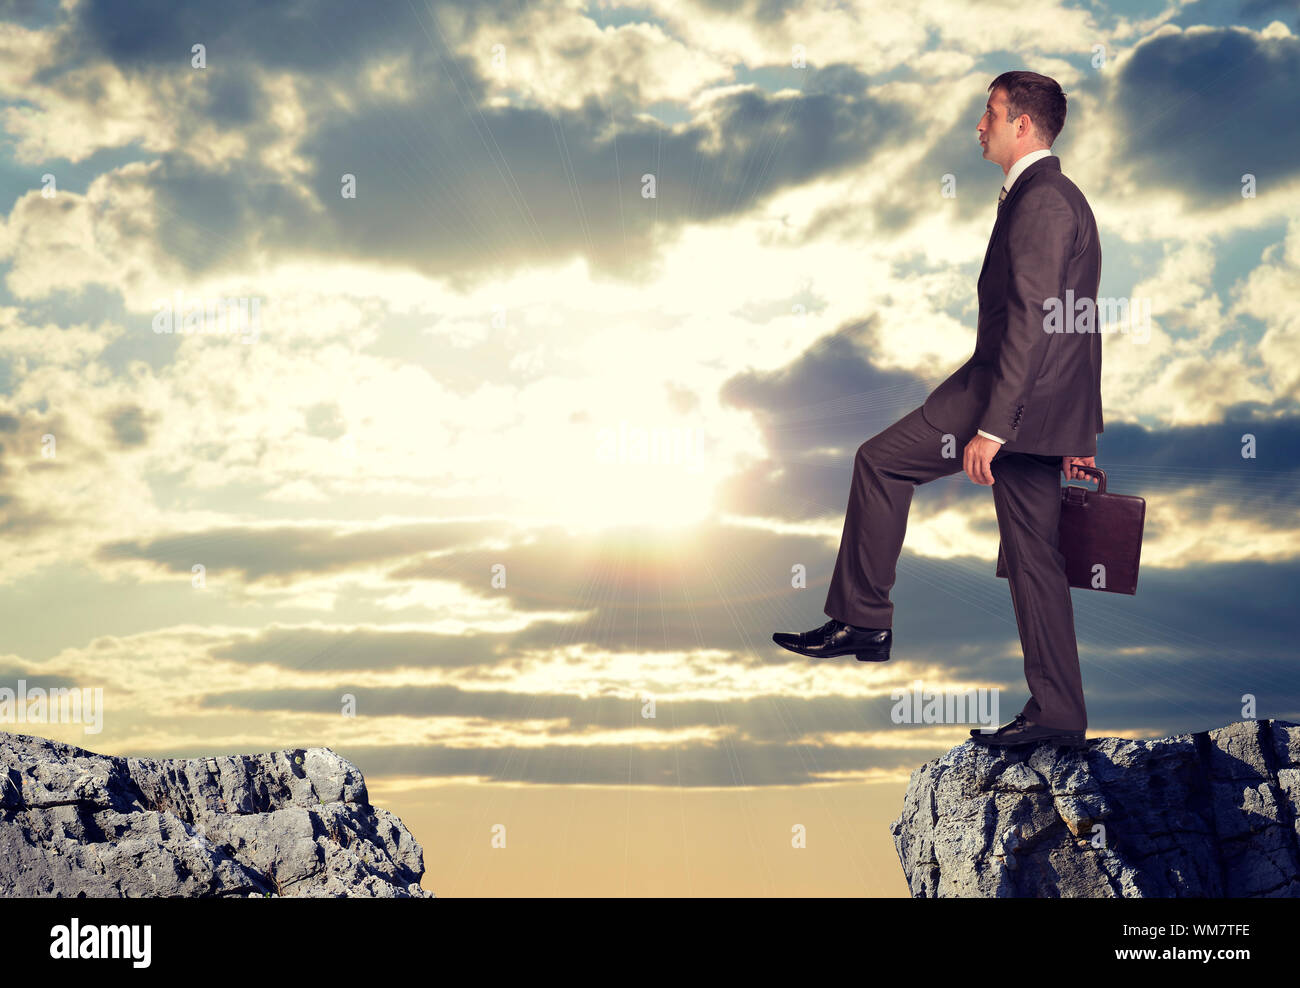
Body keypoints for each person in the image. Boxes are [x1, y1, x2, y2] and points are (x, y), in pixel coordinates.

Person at [772, 71, 1103, 751]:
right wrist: (1078, 428)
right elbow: (1078, 324)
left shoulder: (1042, 202)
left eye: (989, 114)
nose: (978, 127)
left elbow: (1037, 322)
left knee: (881, 463)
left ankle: (864, 620)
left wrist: (992, 428)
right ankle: (1060, 713)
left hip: (1005, 400)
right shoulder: (1058, 197)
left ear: (1021, 125)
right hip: (1042, 407)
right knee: (1036, 559)